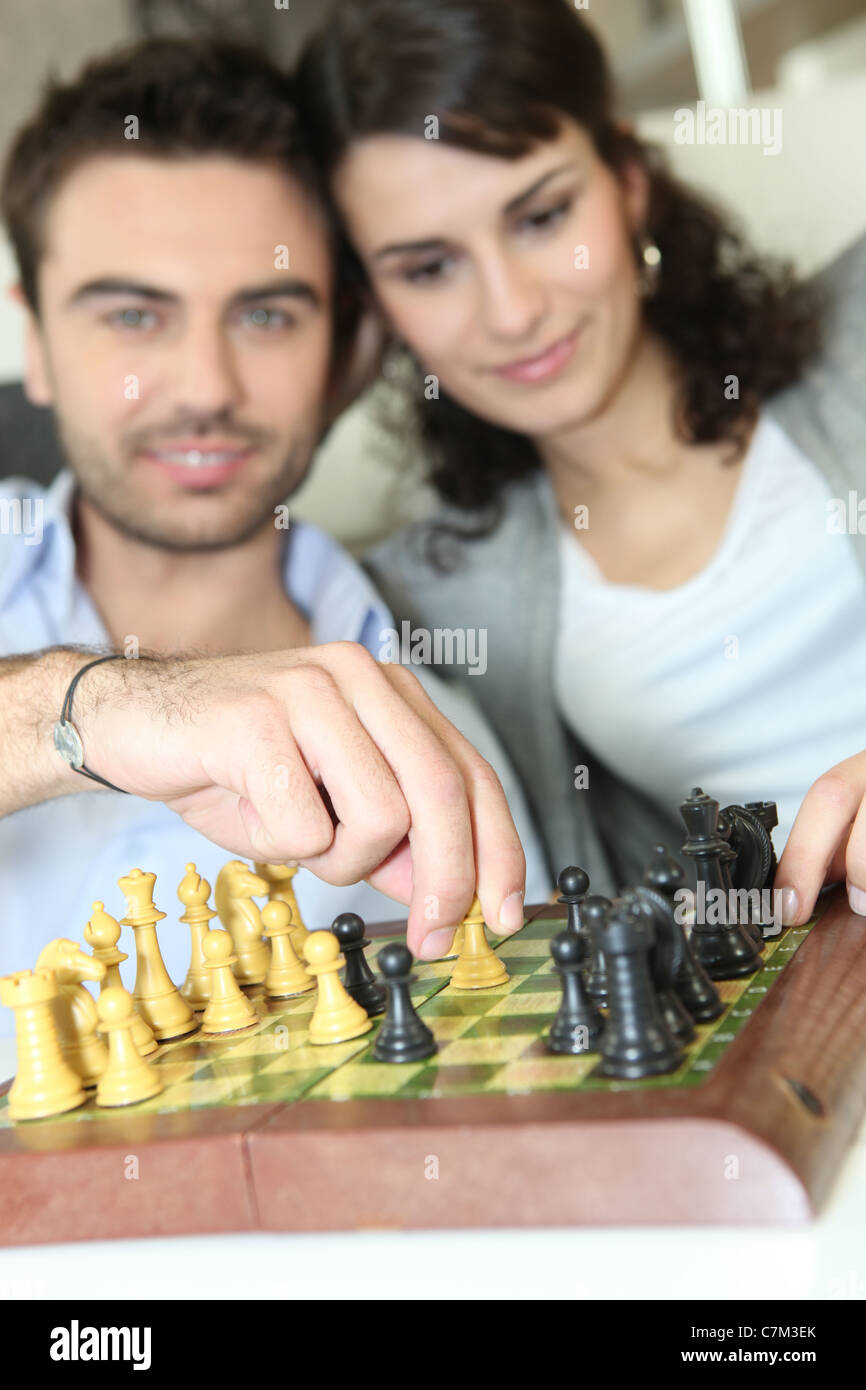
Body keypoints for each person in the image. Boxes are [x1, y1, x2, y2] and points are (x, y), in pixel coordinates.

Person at [0, 35, 547, 1024]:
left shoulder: (447, 736)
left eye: (266, 315)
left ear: (344, 353)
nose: (207, 388)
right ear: (32, 340)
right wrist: (76, 713)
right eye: (132, 316)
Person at [298, 0, 866, 927]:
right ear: (374, 309)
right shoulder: (435, 597)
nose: (512, 309)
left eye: (542, 215)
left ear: (629, 181)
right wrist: (308, 381)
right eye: (428, 268)